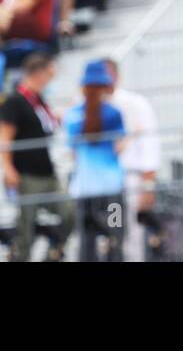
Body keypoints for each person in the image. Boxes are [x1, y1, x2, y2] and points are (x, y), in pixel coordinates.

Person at [0, 51, 75, 261]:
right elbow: (5, 137)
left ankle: (53, 253)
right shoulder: (14, 101)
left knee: (69, 213)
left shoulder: (37, 100)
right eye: (49, 75)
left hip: (47, 172)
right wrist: (8, 168)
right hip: (27, 175)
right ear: (39, 73)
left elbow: (46, 125)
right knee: (25, 229)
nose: (50, 80)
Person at [63, 60, 126, 262]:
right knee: (115, 233)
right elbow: (120, 146)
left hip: (85, 188)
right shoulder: (114, 113)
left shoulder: (72, 115)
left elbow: (71, 151)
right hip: (112, 187)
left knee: (87, 238)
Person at [101, 58, 159, 262]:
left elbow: (149, 147)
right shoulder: (93, 108)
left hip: (132, 181)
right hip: (108, 184)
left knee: (133, 236)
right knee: (113, 231)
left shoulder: (135, 104)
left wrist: (149, 184)